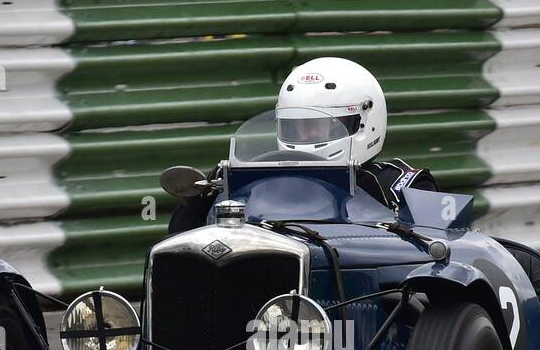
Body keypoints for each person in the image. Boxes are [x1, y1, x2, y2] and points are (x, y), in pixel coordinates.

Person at [166, 58, 436, 235]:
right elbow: (179, 238)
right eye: (297, 126)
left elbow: (440, 257)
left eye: (320, 126)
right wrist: (195, 204)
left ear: (364, 121)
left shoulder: (402, 185)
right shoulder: (248, 177)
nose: (306, 135)